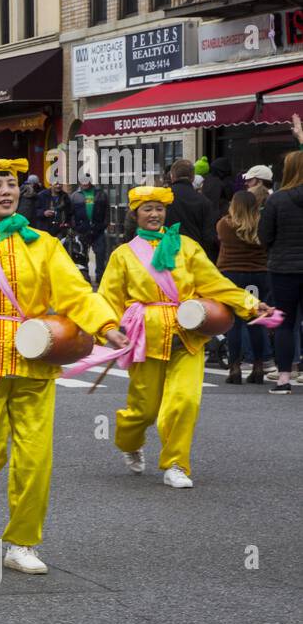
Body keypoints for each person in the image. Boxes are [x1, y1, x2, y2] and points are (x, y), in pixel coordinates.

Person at [0, 153, 128, 574]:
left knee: (35, 457)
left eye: (12, 185)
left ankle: (22, 542)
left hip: (35, 359)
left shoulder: (44, 243)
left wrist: (106, 326)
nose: (6, 191)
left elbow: (75, 292)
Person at [100, 185, 271, 486]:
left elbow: (215, 283)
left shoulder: (187, 247)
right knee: (142, 410)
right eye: (147, 209)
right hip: (145, 338)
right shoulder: (122, 255)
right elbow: (108, 298)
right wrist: (108, 329)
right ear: (135, 214)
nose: (154, 214)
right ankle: (129, 442)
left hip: (188, 334)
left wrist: (251, 304)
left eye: (159, 209)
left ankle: (176, 464)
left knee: (184, 401)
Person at [259, 143, 303, 395]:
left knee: (285, 323)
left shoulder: (277, 199)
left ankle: (284, 378)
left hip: (283, 267)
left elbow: (264, 235)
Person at [217, 190, 271, 385]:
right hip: (257, 275)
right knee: (254, 319)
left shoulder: (224, 224)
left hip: (231, 276)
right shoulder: (262, 224)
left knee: (233, 322)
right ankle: (258, 366)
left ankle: (235, 367)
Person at [164, 158, 218, 260]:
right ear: (193, 177)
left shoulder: (162, 199)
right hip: (194, 257)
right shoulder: (204, 202)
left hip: (167, 256)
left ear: (172, 176)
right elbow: (209, 237)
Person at [76, 176, 112, 284]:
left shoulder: (101, 194)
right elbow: (71, 213)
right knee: (82, 256)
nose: (85, 183)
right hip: (82, 230)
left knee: (100, 255)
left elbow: (107, 211)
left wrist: (104, 224)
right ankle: (85, 279)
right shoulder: (75, 196)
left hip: (98, 230)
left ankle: (100, 279)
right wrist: (76, 227)